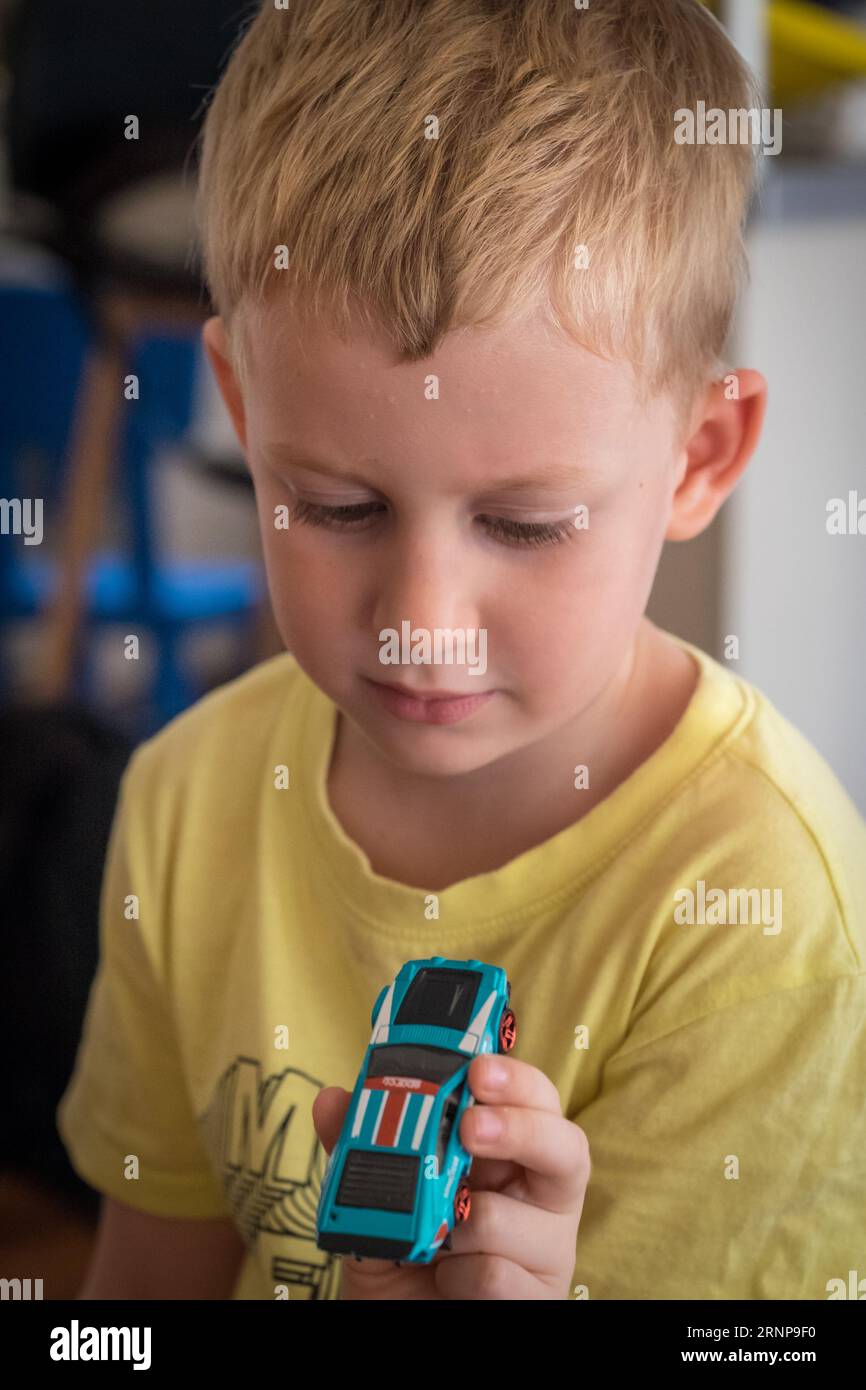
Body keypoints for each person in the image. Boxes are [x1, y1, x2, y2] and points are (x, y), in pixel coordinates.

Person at [57, 0, 866, 1301]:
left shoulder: (760, 906)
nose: (421, 618)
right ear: (241, 409)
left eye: (524, 523)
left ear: (698, 458)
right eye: (337, 506)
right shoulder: (188, 792)